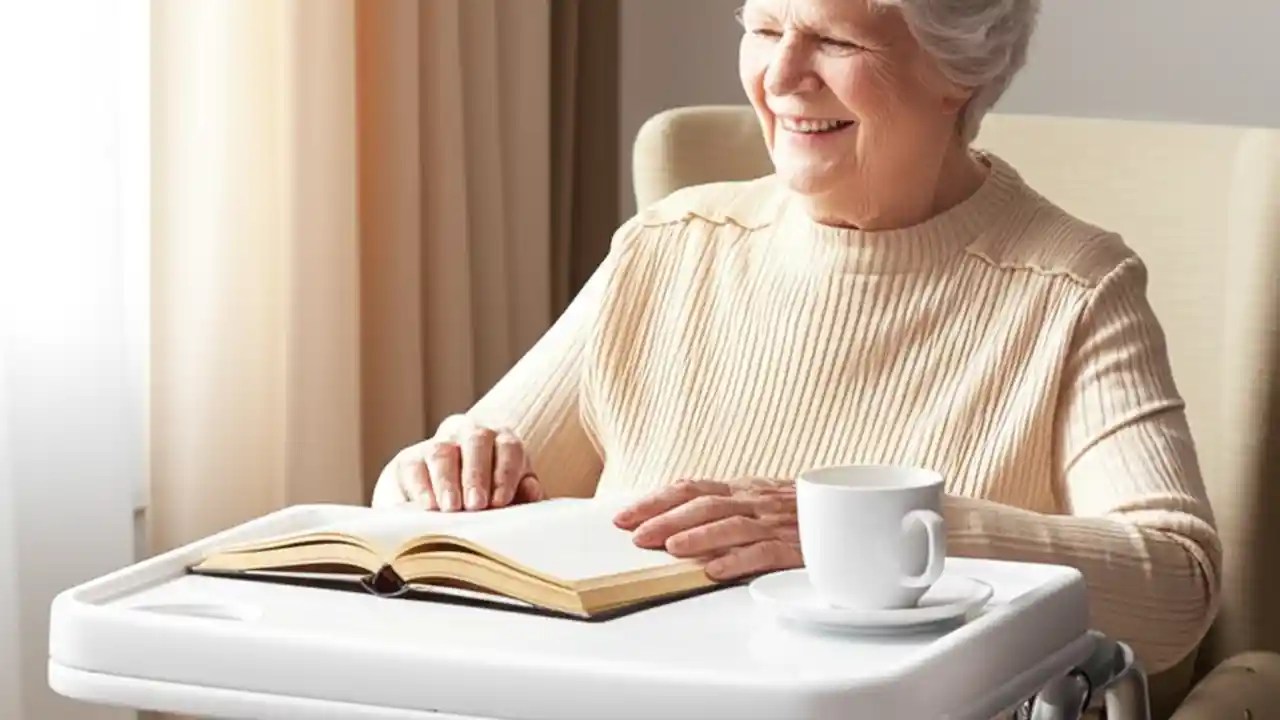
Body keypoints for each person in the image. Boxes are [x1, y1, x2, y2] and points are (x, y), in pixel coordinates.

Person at [371, 0, 1220, 677]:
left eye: (835, 39)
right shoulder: (671, 244)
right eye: (765, 28)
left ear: (957, 69)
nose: (780, 76)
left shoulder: (1073, 288)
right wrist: (435, 477)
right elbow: (436, 516)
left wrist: (888, 535)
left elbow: (1178, 581)